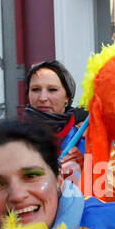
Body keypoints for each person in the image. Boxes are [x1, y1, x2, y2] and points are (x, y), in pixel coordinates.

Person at [22, 59, 85, 187]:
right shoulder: (10, 140)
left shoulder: (88, 141)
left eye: (52, 90)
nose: (43, 98)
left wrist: (87, 169)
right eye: (35, 89)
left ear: (67, 97)